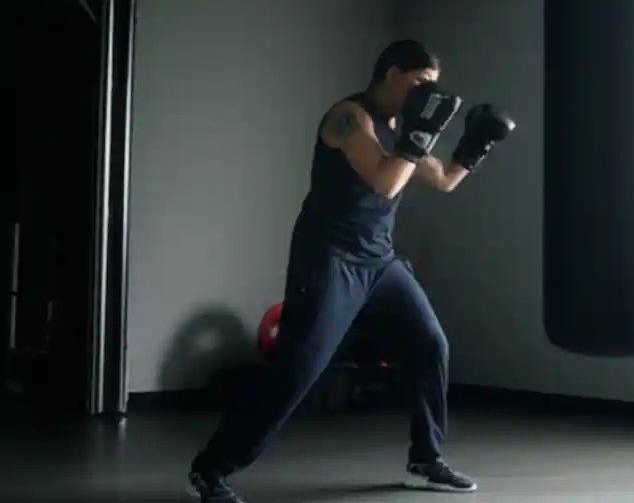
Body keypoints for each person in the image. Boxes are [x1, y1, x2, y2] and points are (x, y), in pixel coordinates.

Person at [186, 40, 515, 502]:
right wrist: (419, 136)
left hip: (379, 261)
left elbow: (442, 181)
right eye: (421, 84)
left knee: (429, 344)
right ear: (393, 73)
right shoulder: (348, 118)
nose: (427, 95)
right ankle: (211, 469)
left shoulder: (402, 125)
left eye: (433, 88)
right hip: (329, 259)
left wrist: (474, 145)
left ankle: (425, 460)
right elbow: (385, 184)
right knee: (297, 370)